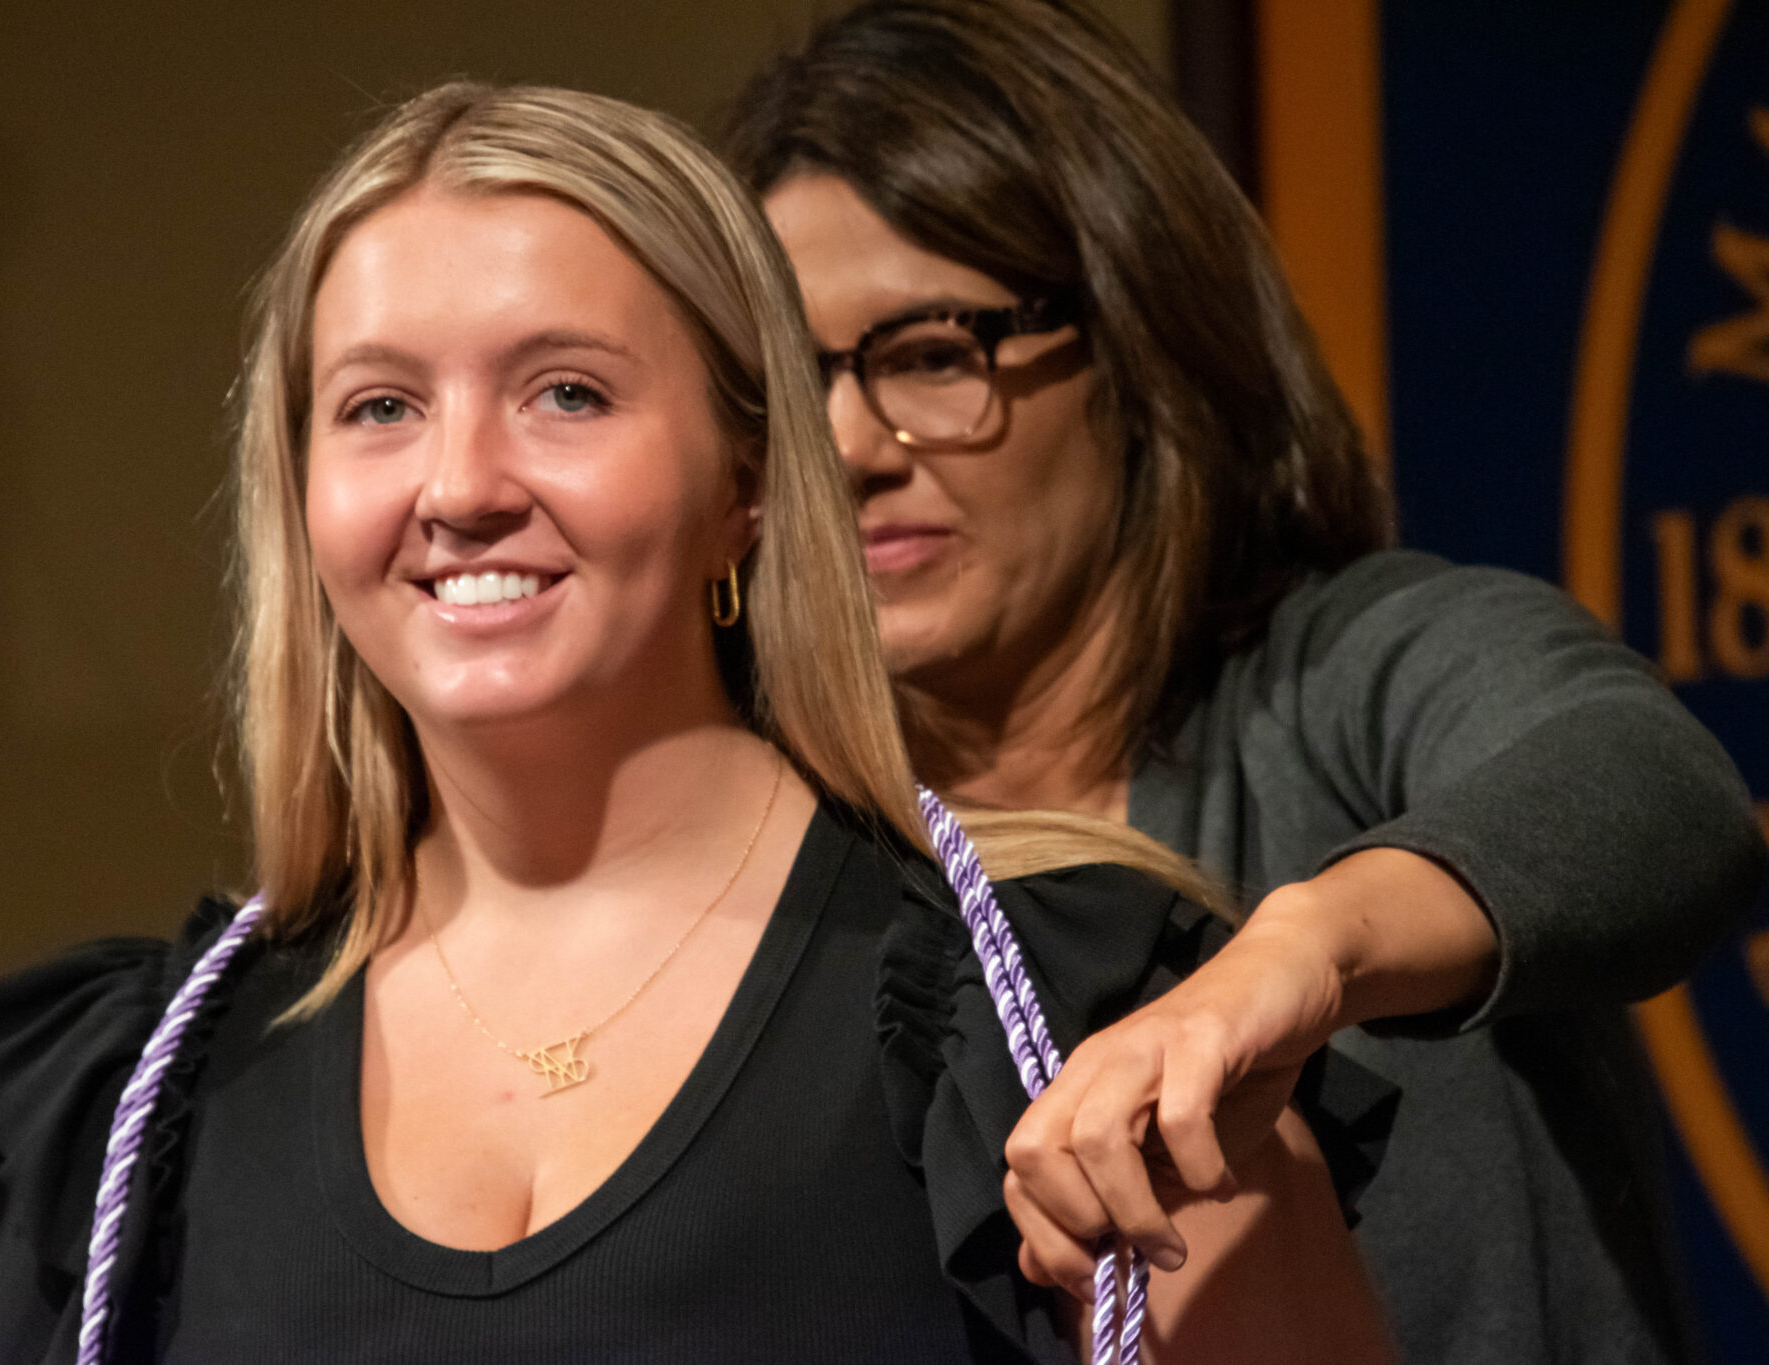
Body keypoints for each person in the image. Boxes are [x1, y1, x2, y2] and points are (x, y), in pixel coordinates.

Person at [0, 82, 1398, 1365]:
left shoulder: (1064, 1031)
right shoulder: (158, 1087)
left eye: (568, 394)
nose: (460, 485)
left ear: (745, 482)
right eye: (380, 405)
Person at [720, 2, 1767, 1362]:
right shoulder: (767, 835)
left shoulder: (1339, 677)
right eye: (794, 391)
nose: (853, 444)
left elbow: (1652, 787)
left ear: (1139, 346)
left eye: (931, 354)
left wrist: (1301, 954)